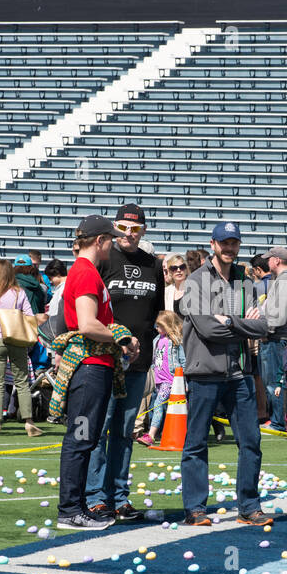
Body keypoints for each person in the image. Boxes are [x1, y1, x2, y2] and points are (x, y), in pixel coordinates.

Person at [179, 221, 272, 527]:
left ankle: (249, 505)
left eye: (234, 243)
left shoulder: (244, 281)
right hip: (205, 372)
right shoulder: (195, 281)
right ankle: (195, 508)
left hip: (240, 372)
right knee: (196, 443)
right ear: (213, 244)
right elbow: (206, 328)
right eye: (225, 242)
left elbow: (263, 327)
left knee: (251, 441)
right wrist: (242, 322)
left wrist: (229, 322)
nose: (230, 248)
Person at [56, 216, 138, 530]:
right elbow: (88, 324)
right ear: (100, 240)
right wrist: (123, 338)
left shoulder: (84, 271)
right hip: (89, 369)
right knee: (80, 439)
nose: (114, 244)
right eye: (111, 239)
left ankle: (74, 508)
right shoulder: (86, 273)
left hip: (94, 367)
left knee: (84, 439)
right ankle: (69, 511)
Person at [86, 203, 165, 523]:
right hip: (105, 358)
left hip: (139, 360)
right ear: (114, 229)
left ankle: (119, 497)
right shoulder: (104, 260)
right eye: (122, 228)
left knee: (123, 431)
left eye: (135, 229)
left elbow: (155, 313)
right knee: (99, 429)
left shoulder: (153, 264)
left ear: (143, 231)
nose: (129, 234)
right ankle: (95, 498)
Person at [0, 259, 41, 437]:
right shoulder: (19, 293)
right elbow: (30, 316)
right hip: (16, 339)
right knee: (22, 382)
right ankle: (29, 422)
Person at [260, 245, 287, 434]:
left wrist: (265, 331)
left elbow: (276, 315)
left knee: (274, 383)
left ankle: (278, 422)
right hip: (281, 336)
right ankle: (279, 420)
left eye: (269, 258)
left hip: (277, 338)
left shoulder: (284, 281)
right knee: (276, 382)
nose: (267, 262)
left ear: (276, 260)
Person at [139, 309, 184, 446]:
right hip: (158, 380)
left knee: (158, 404)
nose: (156, 328)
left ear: (168, 325)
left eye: (159, 326)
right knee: (164, 407)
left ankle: (151, 435)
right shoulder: (156, 340)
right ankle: (169, 432)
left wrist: (184, 381)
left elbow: (183, 360)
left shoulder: (176, 341)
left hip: (171, 380)